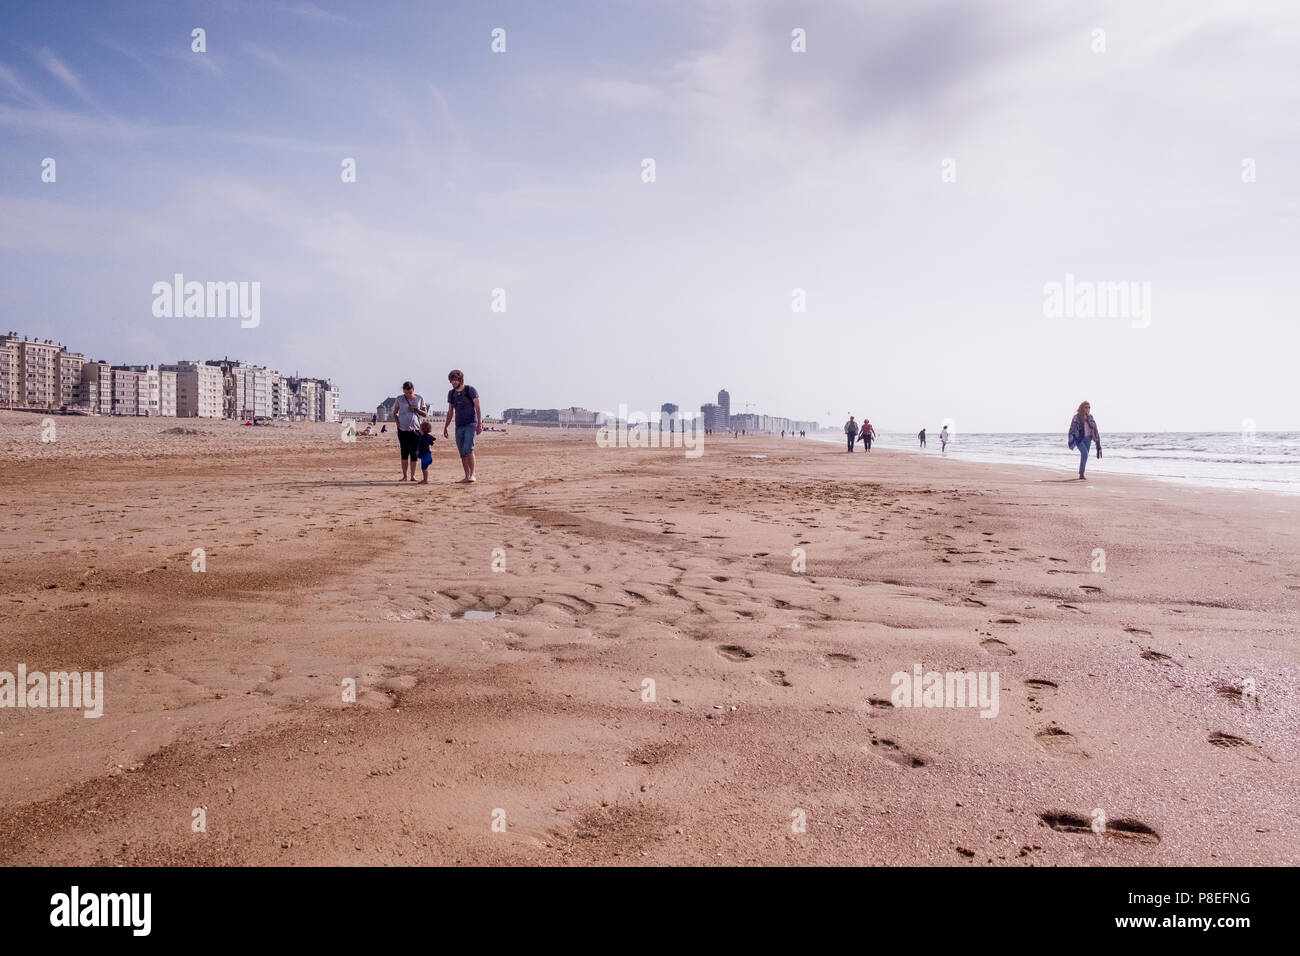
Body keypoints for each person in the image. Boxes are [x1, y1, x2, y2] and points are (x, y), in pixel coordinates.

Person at [443, 369, 482, 483]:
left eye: (454, 380)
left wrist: (479, 423)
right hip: (459, 425)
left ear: (460, 380)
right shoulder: (451, 393)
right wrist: (446, 427)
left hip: (471, 424)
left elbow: (478, 407)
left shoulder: (470, 390)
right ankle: (467, 475)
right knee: (462, 452)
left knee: (468, 448)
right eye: (451, 381)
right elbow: (450, 411)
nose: (453, 383)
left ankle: (473, 475)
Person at [393, 381, 428, 481]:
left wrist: (416, 409)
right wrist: (397, 423)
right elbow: (395, 413)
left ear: (413, 390)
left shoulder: (419, 398)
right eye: (405, 393)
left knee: (414, 452)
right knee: (404, 452)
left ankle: (413, 476)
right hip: (403, 429)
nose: (407, 395)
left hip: (416, 429)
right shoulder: (399, 399)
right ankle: (404, 476)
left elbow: (425, 414)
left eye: (409, 393)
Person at [1067, 401, 1102, 479]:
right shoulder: (1076, 417)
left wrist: (1097, 440)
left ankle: (1081, 473)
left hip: (1088, 438)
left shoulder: (1090, 417)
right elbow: (1072, 428)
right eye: (1086, 407)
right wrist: (1072, 437)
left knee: (1085, 456)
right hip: (1079, 438)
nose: (1087, 409)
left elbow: (1094, 428)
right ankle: (1081, 473)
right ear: (1082, 408)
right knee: (1085, 454)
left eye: (1089, 407)